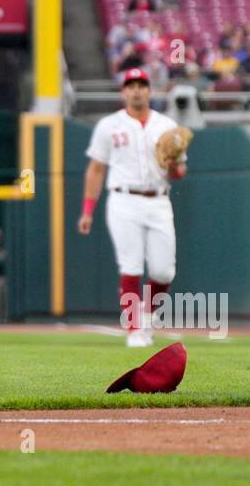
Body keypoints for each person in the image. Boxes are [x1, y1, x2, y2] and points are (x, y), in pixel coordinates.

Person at [76, 67, 187, 347]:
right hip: (123, 199)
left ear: (150, 90)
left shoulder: (166, 125)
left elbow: (179, 172)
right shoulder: (109, 125)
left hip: (159, 199)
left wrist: (174, 165)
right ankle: (134, 328)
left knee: (164, 271)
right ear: (124, 91)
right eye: (131, 85)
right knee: (131, 265)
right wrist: (88, 210)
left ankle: (147, 316)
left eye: (141, 85)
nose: (136, 89)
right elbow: (96, 169)